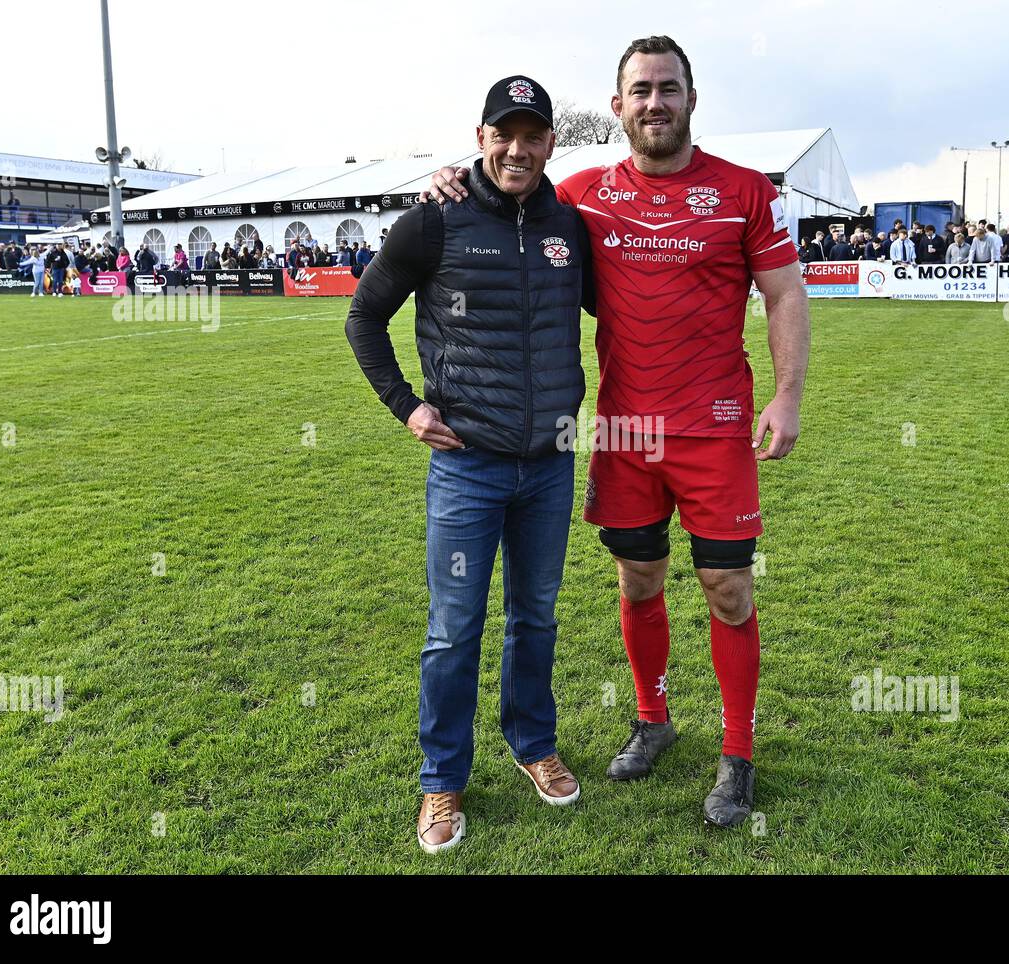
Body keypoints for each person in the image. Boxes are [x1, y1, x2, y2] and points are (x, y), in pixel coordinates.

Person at [428, 35, 809, 830]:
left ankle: (737, 754)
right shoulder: (583, 196)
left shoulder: (743, 192)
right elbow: (506, 192)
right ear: (617, 107)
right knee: (638, 582)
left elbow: (782, 294)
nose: (655, 103)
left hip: (715, 429)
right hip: (626, 432)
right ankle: (653, 719)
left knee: (728, 590)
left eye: (668, 89)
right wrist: (449, 182)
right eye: (640, 91)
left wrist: (787, 396)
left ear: (692, 100)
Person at [346, 74, 592, 855]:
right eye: (503, 133)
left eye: (532, 134)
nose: (517, 148)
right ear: (480, 137)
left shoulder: (569, 225)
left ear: (551, 142)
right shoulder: (433, 221)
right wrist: (408, 407)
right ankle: (441, 780)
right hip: (468, 468)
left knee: (537, 617)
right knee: (454, 631)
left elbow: (626, 295)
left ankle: (532, 745)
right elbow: (363, 317)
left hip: (549, 465)